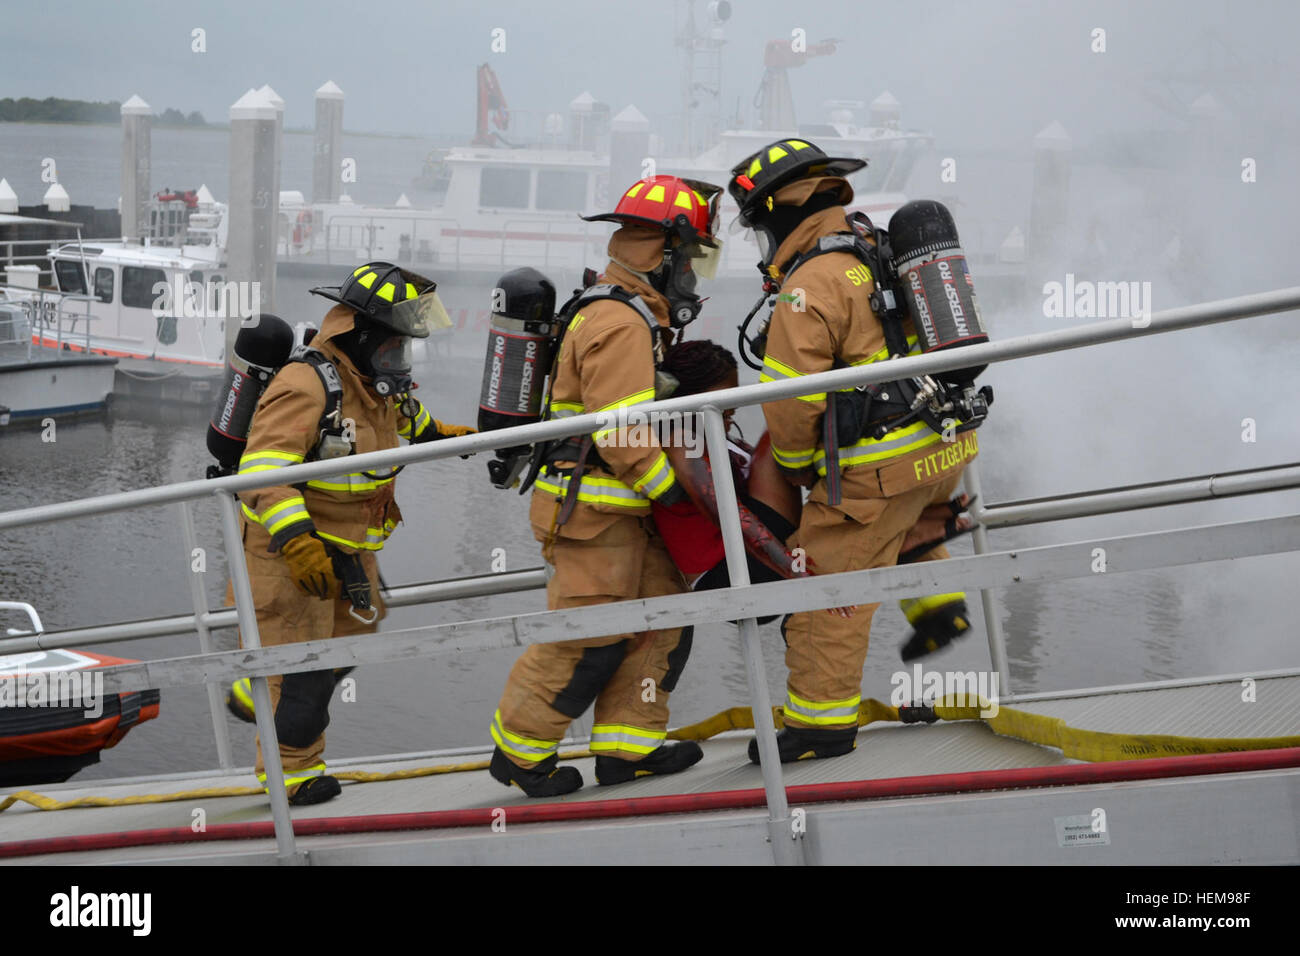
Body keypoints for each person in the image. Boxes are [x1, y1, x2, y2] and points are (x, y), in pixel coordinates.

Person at [727, 139, 979, 764]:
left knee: (823, 590)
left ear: (781, 210)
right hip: (942, 445)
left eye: (760, 225)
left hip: (876, 465)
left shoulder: (809, 282)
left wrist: (796, 473)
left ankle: (820, 726)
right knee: (903, 528)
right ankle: (940, 606)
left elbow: (790, 405)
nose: (763, 241)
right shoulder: (878, 248)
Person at [488, 175, 722, 797]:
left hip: (620, 515)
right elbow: (619, 432)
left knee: (661, 625)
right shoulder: (619, 320)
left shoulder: (626, 309)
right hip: (595, 512)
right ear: (665, 253)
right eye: (691, 259)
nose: (694, 276)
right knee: (588, 640)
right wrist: (674, 493)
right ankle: (519, 753)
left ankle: (628, 750)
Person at [228, 261, 474, 806]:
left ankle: (254, 688)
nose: (399, 359)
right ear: (359, 336)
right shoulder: (307, 384)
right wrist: (296, 542)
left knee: (353, 637)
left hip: (350, 549)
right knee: (305, 670)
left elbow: (412, 428)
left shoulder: (376, 387)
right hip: (293, 551)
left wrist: (459, 437)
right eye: (392, 347)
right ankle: (291, 776)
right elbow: (263, 469)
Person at [651, 340, 971, 622]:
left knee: (802, 441)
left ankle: (888, 534)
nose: (728, 415)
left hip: (751, 558)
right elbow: (723, 510)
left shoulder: (718, 435)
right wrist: (792, 570)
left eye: (732, 408)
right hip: (730, 574)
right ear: (687, 400)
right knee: (784, 433)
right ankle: (891, 535)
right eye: (721, 409)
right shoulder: (680, 437)